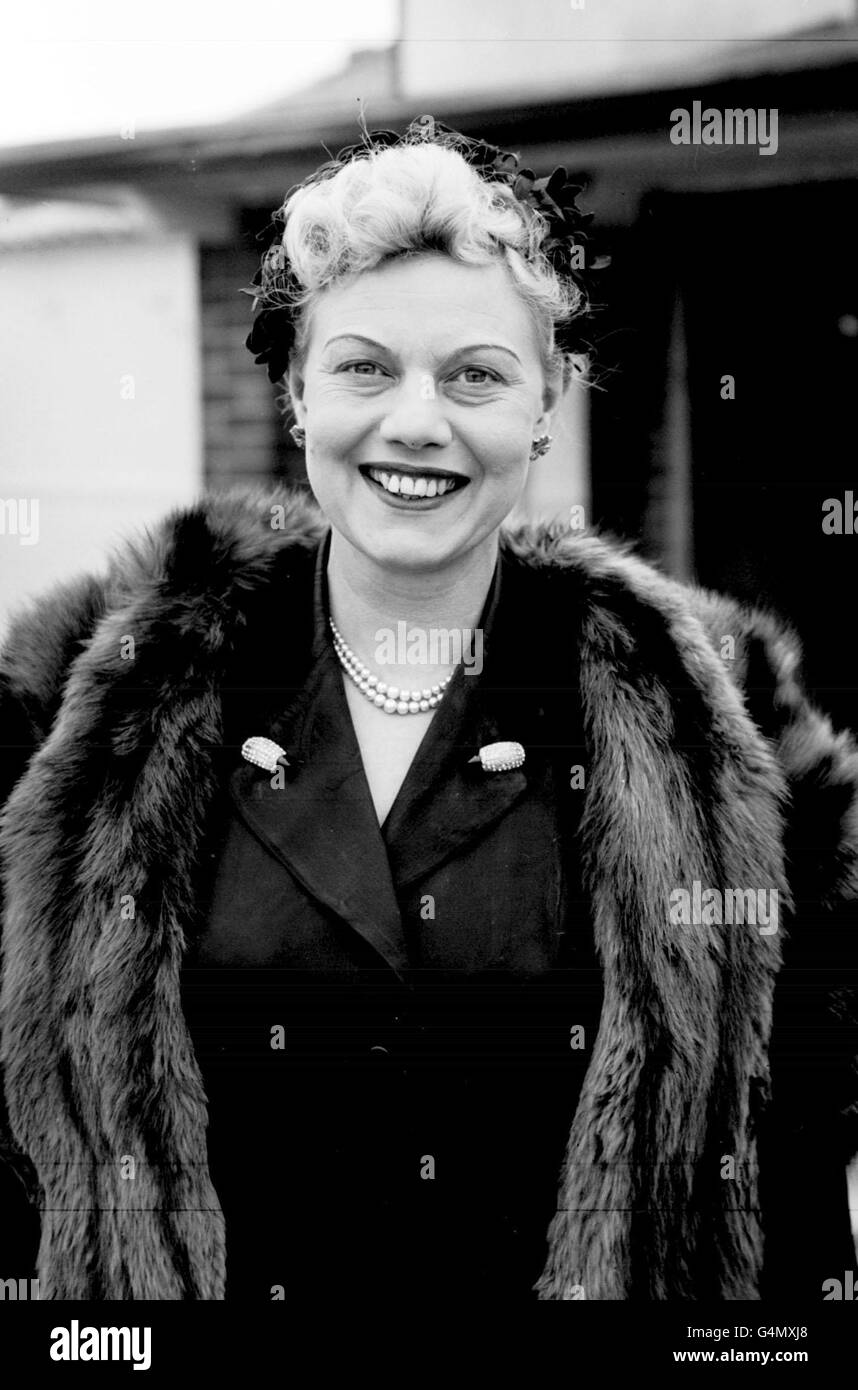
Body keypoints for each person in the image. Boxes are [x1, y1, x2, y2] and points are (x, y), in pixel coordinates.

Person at [0, 114, 856, 1302]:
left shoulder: (721, 716)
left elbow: (790, 1174)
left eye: (474, 375)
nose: (416, 420)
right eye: (364, 367)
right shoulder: (77, 699)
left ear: (547, 401)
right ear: (298, 395)